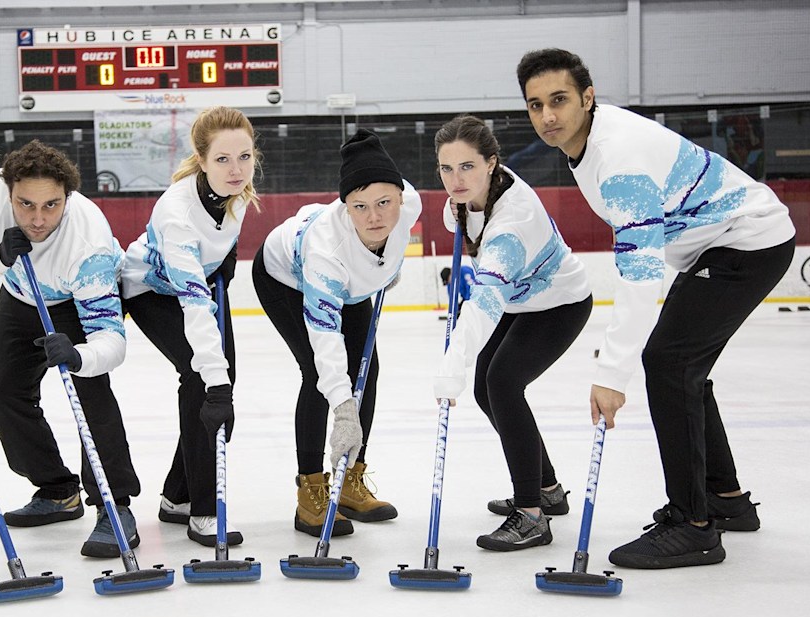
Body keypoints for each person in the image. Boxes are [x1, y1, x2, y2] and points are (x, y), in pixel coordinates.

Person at [517, 48, 796, 569]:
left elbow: (640, 274)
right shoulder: (588, 145)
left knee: (668, 363)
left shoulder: (618, 158)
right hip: (723, 243)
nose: (548, 116)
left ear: (588, 97)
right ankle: (724, 499)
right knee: (681, 366)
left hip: (747, 240)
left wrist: (611, 373)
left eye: (558, 100)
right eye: (535, 105)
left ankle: (693, 526)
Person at [0, 140, 142, 558]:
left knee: (92, 396)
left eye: (51, 205)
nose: (38, 219)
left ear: (67, 198)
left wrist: (78, 356)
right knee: (5, 396)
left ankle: (115, 506)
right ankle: (57, 490)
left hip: (76, 302)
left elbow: (112, 341)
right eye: (26, 205)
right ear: (8, 191)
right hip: (18, 295)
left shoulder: (89, 247)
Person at [431, 115, 593, 551]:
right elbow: (460, 218)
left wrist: (453, 364)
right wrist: (457, 211)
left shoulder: (512, 225)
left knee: (502, 383)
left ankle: (533, 516)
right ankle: (546, 488)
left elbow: (484, 300)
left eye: (467, 167)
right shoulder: (478, 191)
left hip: (559, 303)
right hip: (520, 301)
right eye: (446, 169)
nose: (455, 179)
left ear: (491, 163)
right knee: (490, 389)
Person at [253, 129, 419, 537]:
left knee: (368, 367)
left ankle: (348, 480)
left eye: (384, 203)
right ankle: (310, 490)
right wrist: (343, 411)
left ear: (401, 197)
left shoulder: (409, 204)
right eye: (359, 207)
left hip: (351, 282)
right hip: (284, 278)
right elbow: (326, 339)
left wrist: (384, 268)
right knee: (318, 372)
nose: (374, 216)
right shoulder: (325, 252)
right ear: (346, 208)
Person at [119, 106, 255, 547]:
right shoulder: (175, 212)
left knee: (223, 378)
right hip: (150, 289)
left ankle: (176, 497)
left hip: (202, 280)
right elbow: (194, 305)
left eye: (245, 157)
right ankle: (203, 511)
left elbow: (219, 240)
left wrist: (224, 261)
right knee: (203, 378)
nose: (236, 170)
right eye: (223, 159)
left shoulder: (238, 193)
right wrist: (217, 388)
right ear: (201, 160)